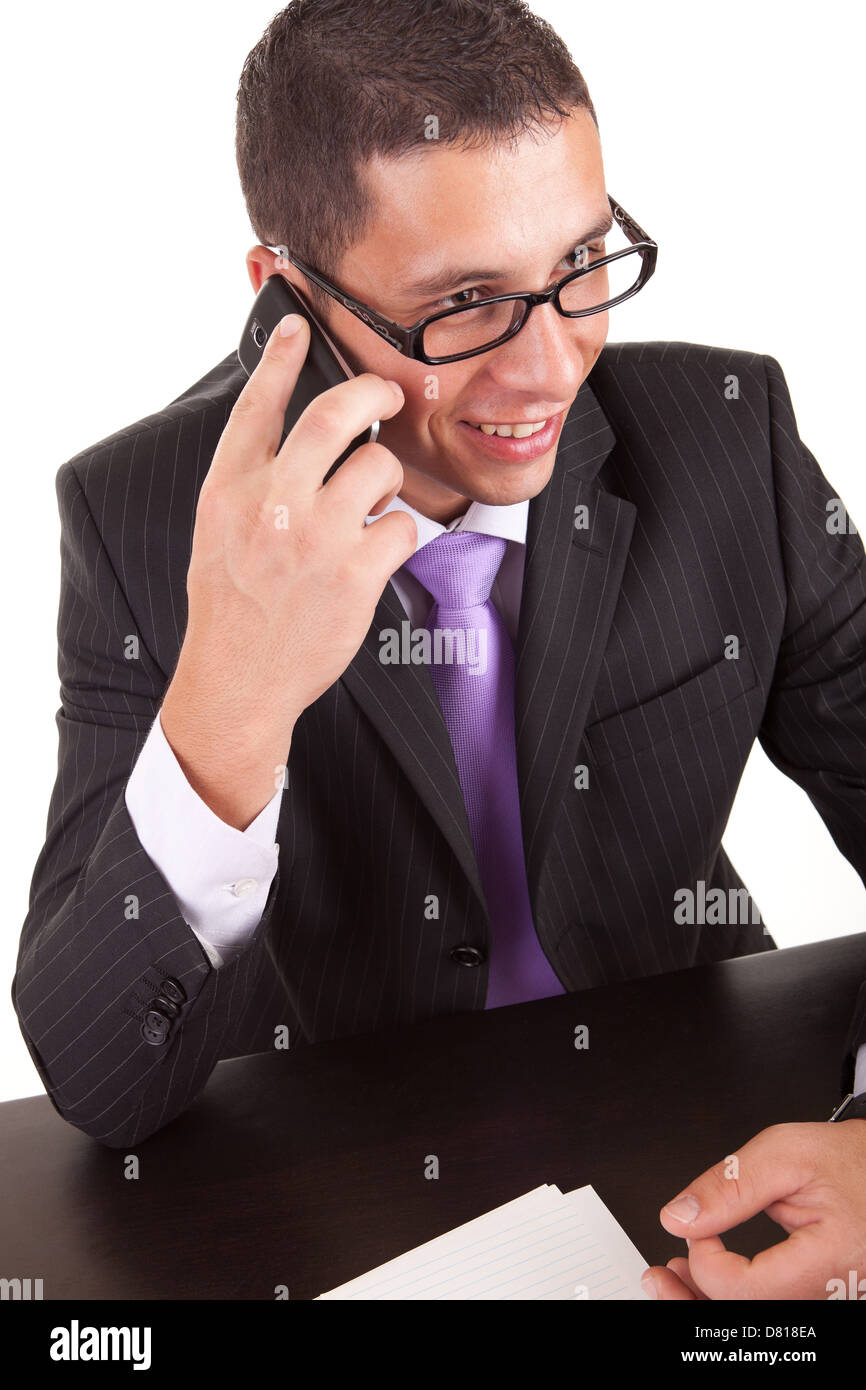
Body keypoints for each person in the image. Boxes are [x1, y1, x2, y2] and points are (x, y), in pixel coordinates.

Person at [12, 0, 866, 1300]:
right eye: (464, 303)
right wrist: (226, 704)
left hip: (698, 1131)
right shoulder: (144, 514)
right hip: (324, 1186)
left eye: (581, 261)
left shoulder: (725, 435)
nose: (547, 365)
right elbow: (101, 1077)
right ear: (288, 294)